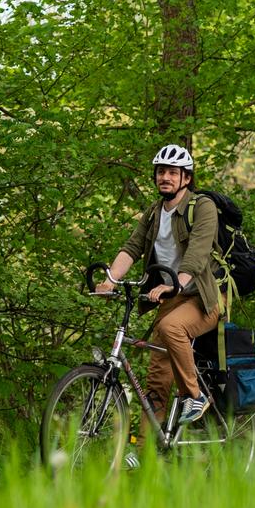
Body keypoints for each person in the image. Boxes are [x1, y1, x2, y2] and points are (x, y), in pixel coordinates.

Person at [95, 143, 220, 426]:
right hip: (170, 301)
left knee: (170, 327)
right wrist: (110, 280)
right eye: (161, 172)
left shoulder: (202, 207)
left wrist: (176, 285)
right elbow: (132, 247)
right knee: (156, 381)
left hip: (203, 298)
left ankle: (195, 395)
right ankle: (147, 447)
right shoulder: (154, 212)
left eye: (173, 173)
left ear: (186, 178)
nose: (165, 177)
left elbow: (197, 253)